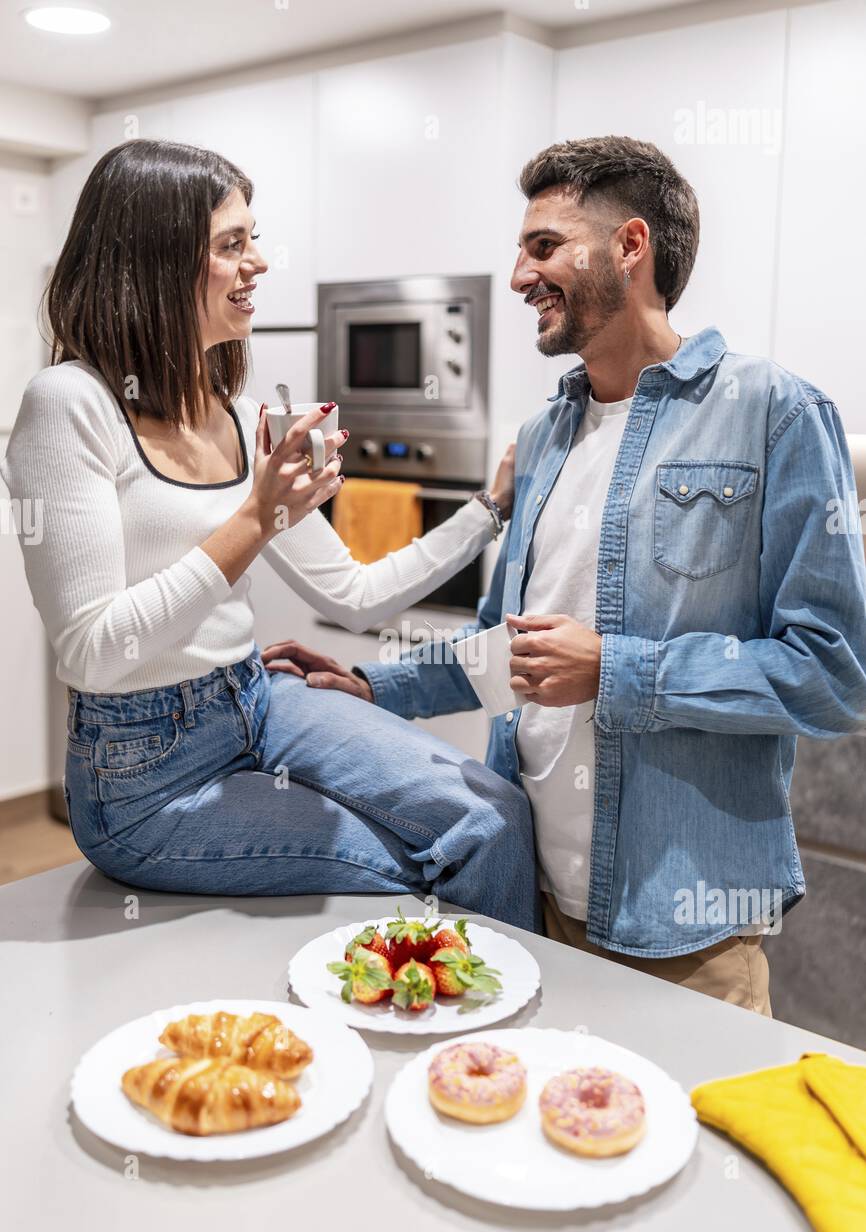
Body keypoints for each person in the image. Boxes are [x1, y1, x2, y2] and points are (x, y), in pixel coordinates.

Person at [262, 135, 866, 1014]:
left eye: (543, 247)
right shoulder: (545, 435)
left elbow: (835, 674)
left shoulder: (774, 414)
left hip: (684, 929)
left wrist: (615, 670)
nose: (517, 277)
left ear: (630, 247)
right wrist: (370, 685)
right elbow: (510, 649)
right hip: (529, 899)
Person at [2, 138, 538, 932]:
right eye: (231, 244)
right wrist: (256, 519)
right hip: (146, 776)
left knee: (489, 818)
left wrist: (487, 509)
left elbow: (352, 595)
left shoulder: (223, 409)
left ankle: (481, 1056)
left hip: (255, 696)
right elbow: (91, 650)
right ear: (154, 261)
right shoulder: (67, 404)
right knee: (435, 862)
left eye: (254, 237)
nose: (259, 261)